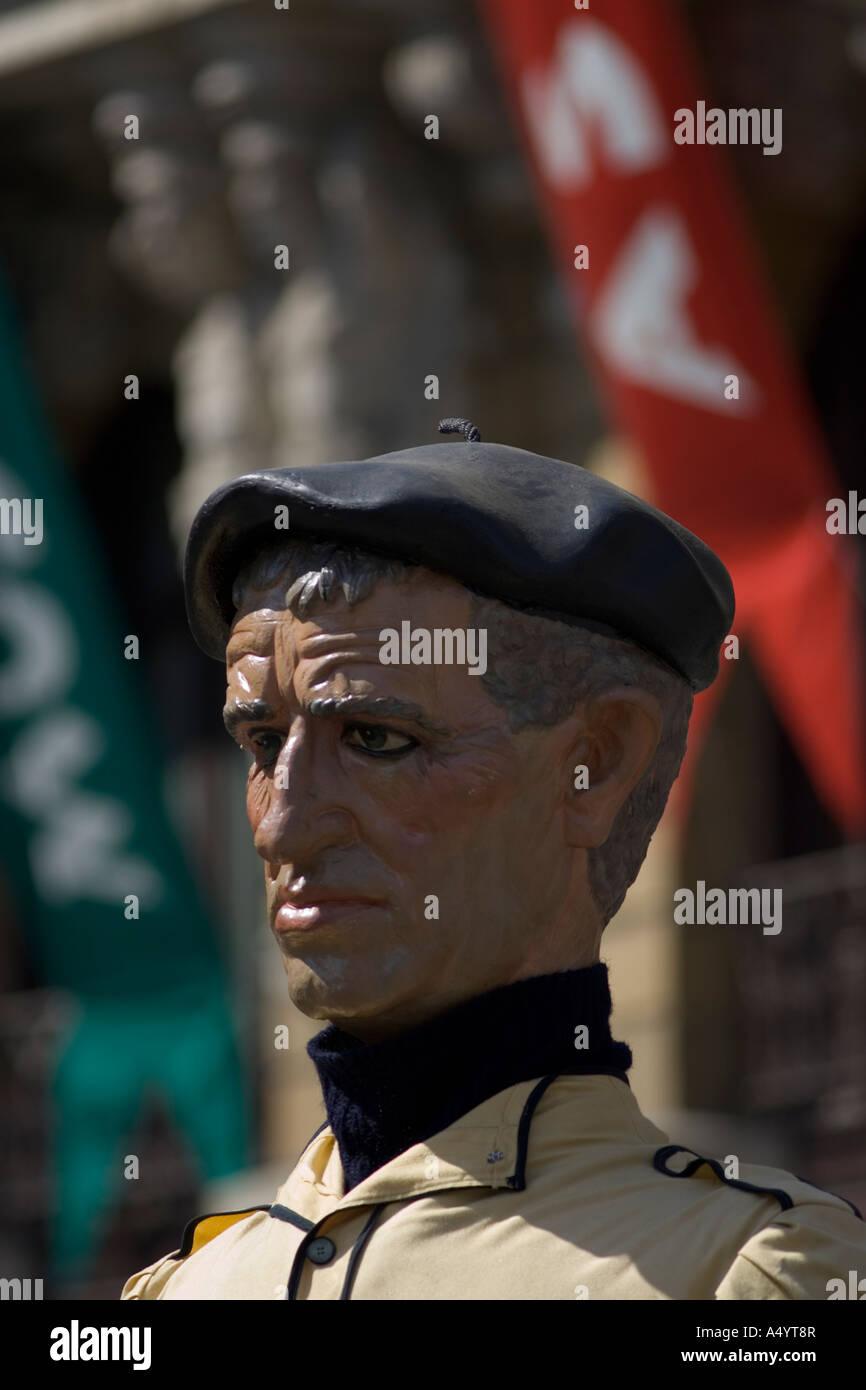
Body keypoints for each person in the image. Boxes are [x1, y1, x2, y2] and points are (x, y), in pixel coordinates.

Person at [121, 420, 865, 1300]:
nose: (283, 823)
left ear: (596, 765)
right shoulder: (177, 1293)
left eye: (374, 737)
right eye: (260, 742)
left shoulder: (748, 1277)